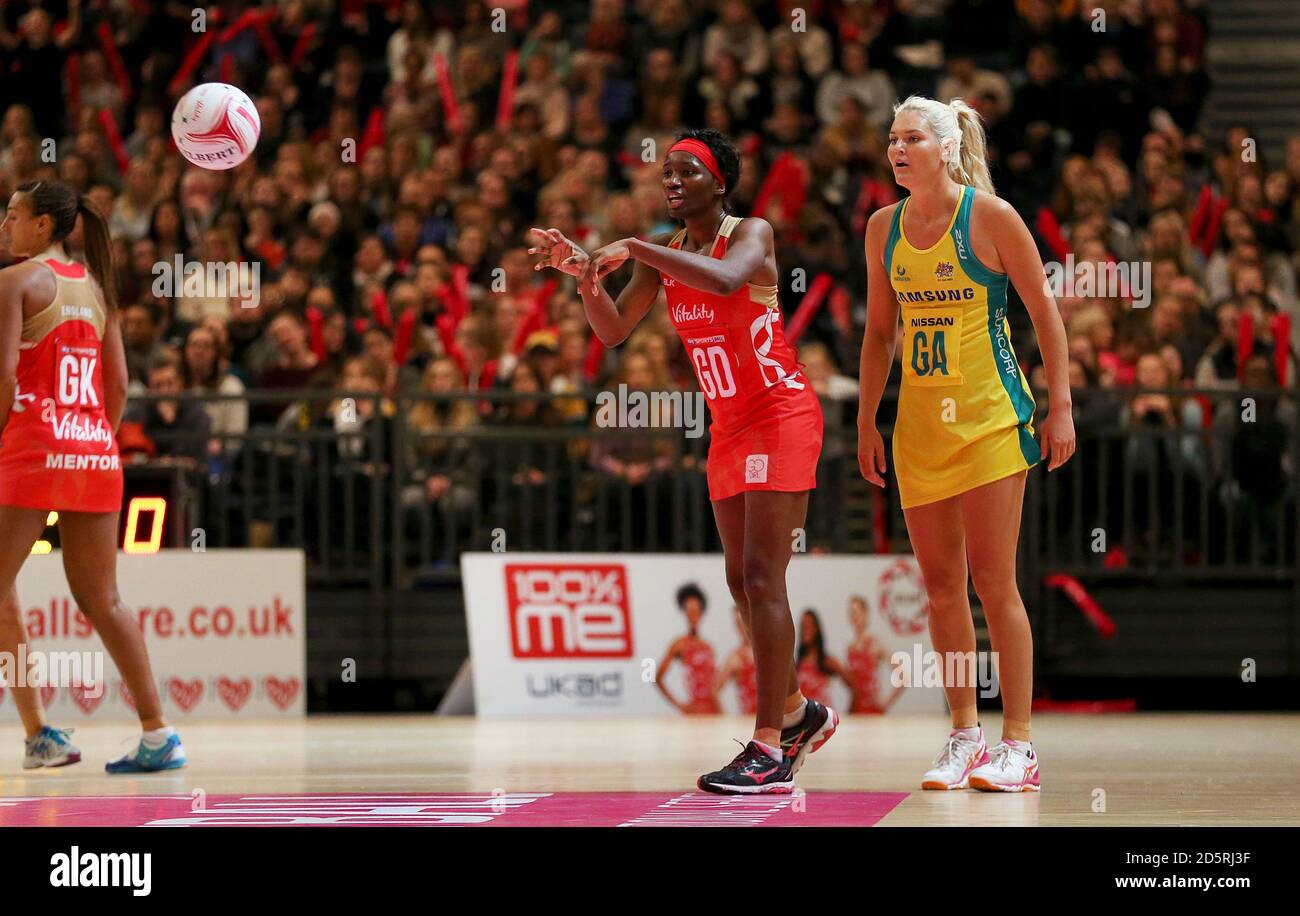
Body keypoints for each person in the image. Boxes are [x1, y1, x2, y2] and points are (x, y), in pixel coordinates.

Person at [532, 128, 836, 794]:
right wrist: (585, 277)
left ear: (719, 183)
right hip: (728, 427)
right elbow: (613, 329)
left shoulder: (750, 234)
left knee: (762, 576)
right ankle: (797, 712)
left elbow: (728, 280)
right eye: (666, 172)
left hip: (780, 414)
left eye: (687, 172)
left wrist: (636, 246)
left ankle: (769, 747)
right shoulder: (665, 252)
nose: (671, 181)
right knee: (737, 580)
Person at [857, 97, 1075, 792]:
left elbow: (1043, 312)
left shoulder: (991, 216)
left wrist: (1060, 408)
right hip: (919, 430)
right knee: (942, 588)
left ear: (946, 148)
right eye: (892, 139)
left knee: (993, 582)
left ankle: (1021, 745)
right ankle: (963, 737)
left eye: (912, 138)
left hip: (990, 421)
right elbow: (878, 335)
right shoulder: (881, 227)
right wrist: (866, 421)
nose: (897, 149)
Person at [0, 180, 186, 772]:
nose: (4, 226)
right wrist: (90, 439)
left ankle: (39, 733)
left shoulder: (13, 282)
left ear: (44, 227)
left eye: (13, 216)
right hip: (94, 454)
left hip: (32, 449)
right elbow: (120, 386)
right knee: (104, 600)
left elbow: (5, 377)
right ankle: (158, 732)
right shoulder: (98, 288)